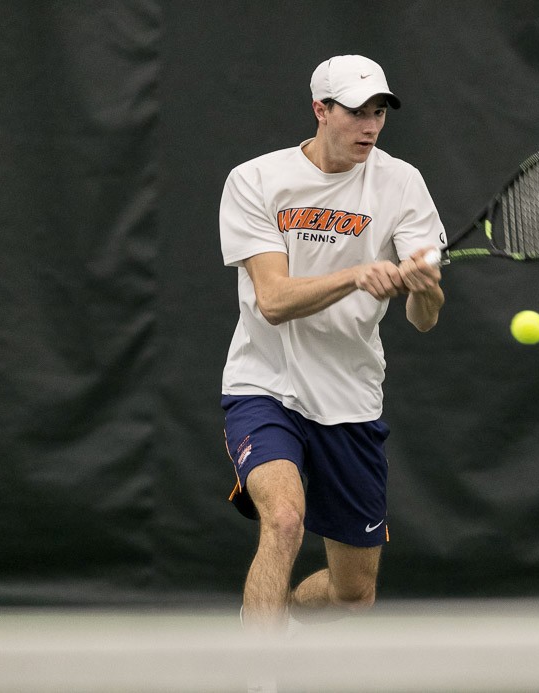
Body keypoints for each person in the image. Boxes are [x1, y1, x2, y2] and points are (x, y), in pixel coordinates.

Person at [219, 54, 445, 636]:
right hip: (264, 385)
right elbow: (272, 300)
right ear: (320, 110)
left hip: (350, 400)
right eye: (356, 112)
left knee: (352, 595)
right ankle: (257, 671)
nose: (370, 126)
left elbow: (423, 319)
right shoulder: (255, 180)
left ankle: (287, 619)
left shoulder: (402, 183)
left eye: (379, 113)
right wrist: (356, 275)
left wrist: (424, 288)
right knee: (284, 520)